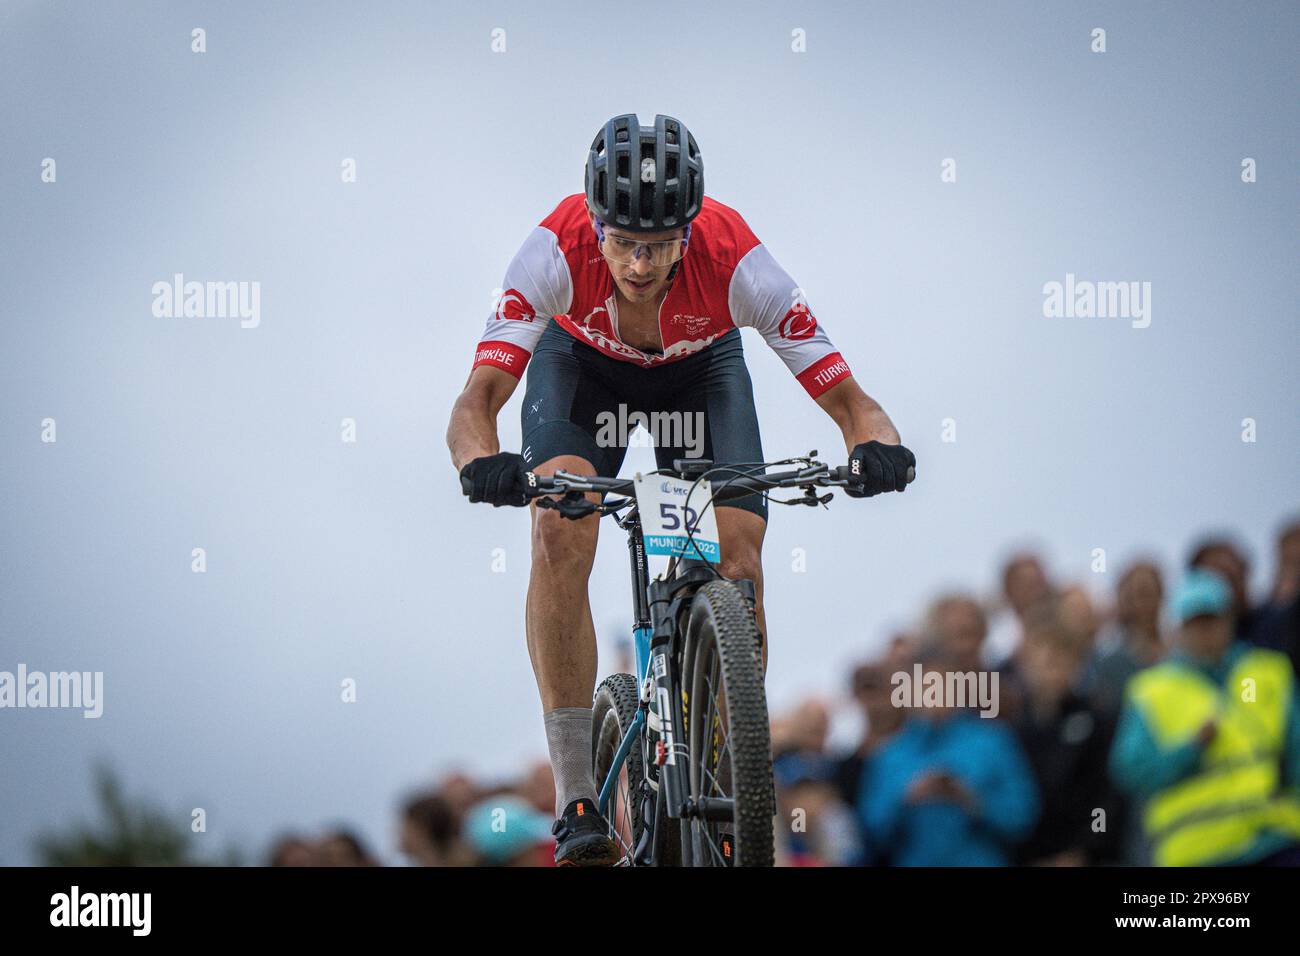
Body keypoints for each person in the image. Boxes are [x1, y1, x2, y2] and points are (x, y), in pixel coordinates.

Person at [447, 113, 916, 865]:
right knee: (561, 526)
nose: (639, 263)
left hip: (699, 381)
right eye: (625, 241)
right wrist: (482, 462)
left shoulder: (741, 264)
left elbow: (854, 402)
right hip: (583, 377)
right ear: (595, 224)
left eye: (660, 244)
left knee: (740, 557)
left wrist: (874, 445)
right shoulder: (551, 254)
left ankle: (730, 766)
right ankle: (576, 798)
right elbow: (475, 404)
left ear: (690, 231)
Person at [1109, 568, 1300, 866]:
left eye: (1212, 620)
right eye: (1195, 623)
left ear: (1229, 620)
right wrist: (1191, 749)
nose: (1206, 632)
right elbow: (1131, 772)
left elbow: (1296, 754)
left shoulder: (1269, 671)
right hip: (1197, 852)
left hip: (1274, 842)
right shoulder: (1151, 689)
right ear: (1178, 628)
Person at [858, 650, 1039, 866]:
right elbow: (870, 831)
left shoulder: (993, 741)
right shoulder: (890, 755)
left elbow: (1023, 815)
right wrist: (907, 798)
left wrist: (971, 800)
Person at [1012, 614, 1120, 865]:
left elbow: (1108, 798)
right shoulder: (1015, 731)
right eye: (1042, 656)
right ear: (1025, 664)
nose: (1051, 664)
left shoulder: (1097, 720)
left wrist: (1085, 850)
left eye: (1061, 655)